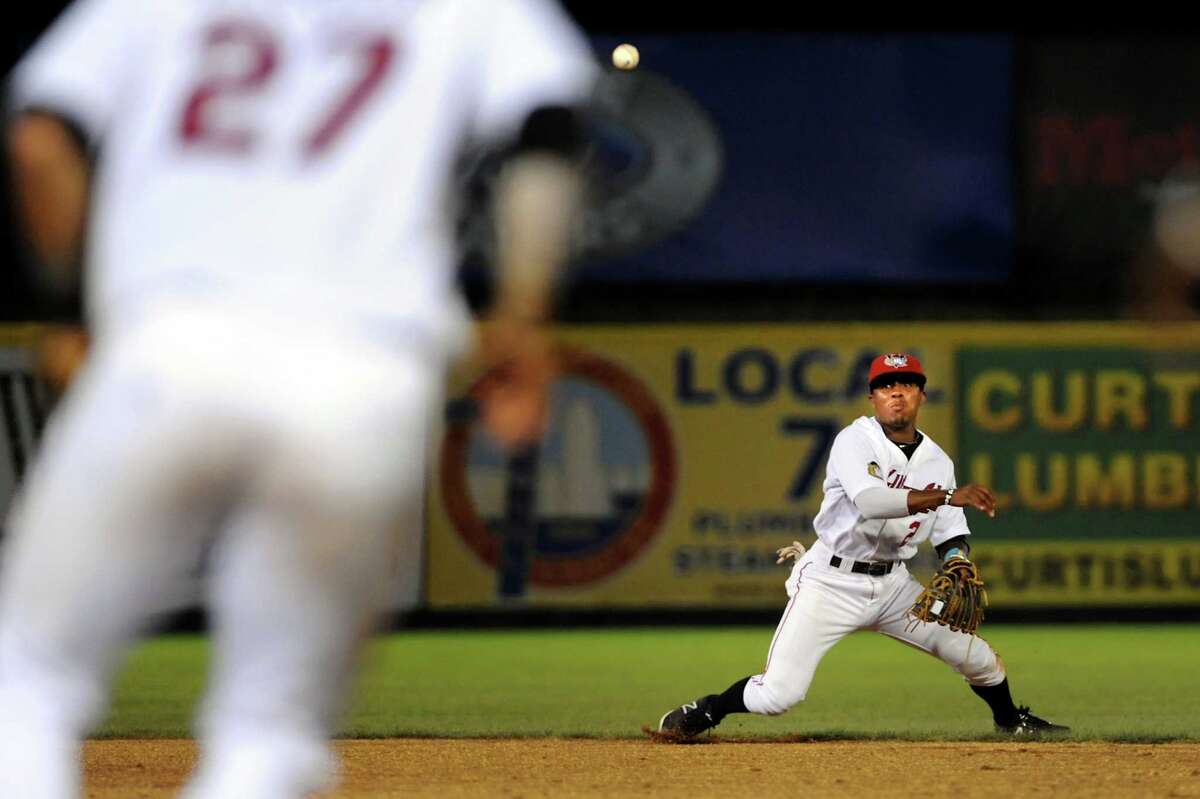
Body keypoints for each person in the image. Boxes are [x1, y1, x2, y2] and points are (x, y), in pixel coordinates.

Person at [0, 1, 597, 796]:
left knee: (28, 680)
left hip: (172, 341)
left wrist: (70, 304)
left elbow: (40, 139)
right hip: (365, 372)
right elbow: (549, 127)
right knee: (268, 729)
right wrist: (522, 319)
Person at [657, 353, 1069, 738]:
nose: (896, 393)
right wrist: (946, 496)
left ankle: (1010, 720)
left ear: (922, 396)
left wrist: (957, 560)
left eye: (907, 384)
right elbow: (870, 502)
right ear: (873, 397)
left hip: (893, 588)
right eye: (886, 385)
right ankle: (710, 708)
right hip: (829, 582)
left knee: (977, 657)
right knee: (778, 696)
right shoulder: (855, 440)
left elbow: (949, 531)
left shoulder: (939, 462)